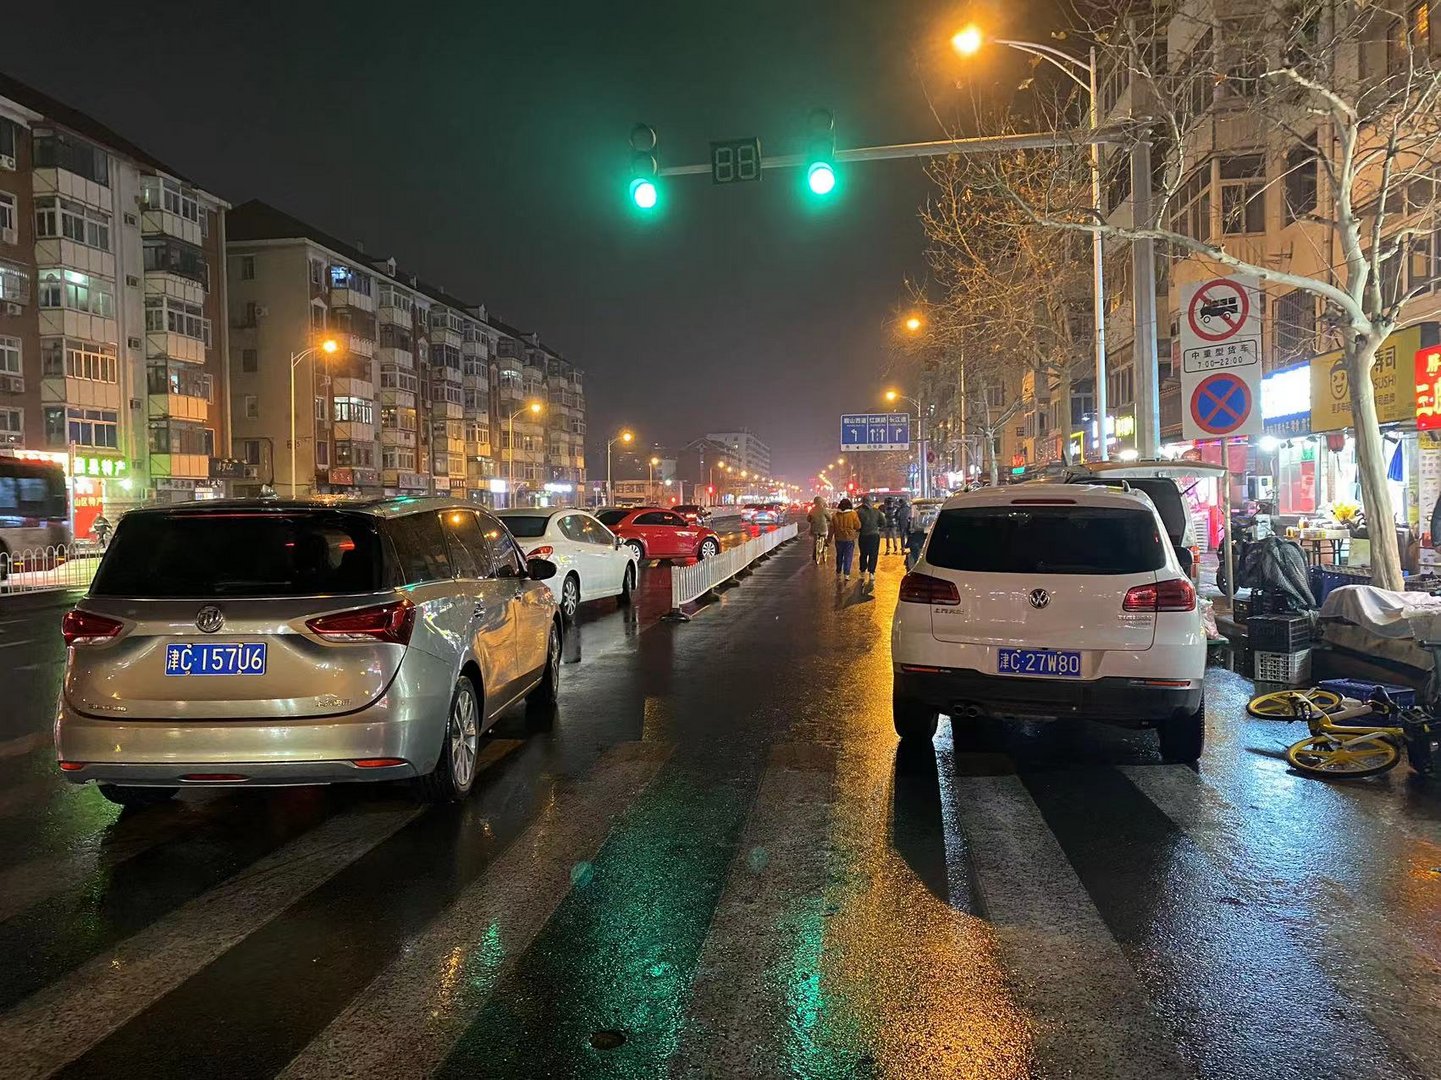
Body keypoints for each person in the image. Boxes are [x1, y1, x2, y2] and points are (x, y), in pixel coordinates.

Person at [855, 494, 885, 585]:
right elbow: (883, 522)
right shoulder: (877, 511)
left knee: (863, 554)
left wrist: (860, 529)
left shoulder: (858, 512)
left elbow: (857, 525)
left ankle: (862, 571)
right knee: (873, 554)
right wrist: (877, 526)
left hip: (863, 536)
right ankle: (871, 572)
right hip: (874, 536)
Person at [830, 498, 861, 581]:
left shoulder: (835, 515)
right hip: (849, 539)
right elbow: (858, 526)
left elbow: (831, 529)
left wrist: (828, 540)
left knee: (839, 555)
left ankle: (838, 572)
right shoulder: (853, 514)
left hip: (838, 539)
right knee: (848, 556)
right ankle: (846, 574)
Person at [807, 496, 831, 565]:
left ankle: (815, 551)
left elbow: (808, 519)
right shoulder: (824, 510)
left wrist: (812, 520)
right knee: (825, 534)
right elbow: (830, 518)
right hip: (823, 528)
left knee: (815, 539)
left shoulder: (812, 510)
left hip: (814, 529)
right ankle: (825, 544)